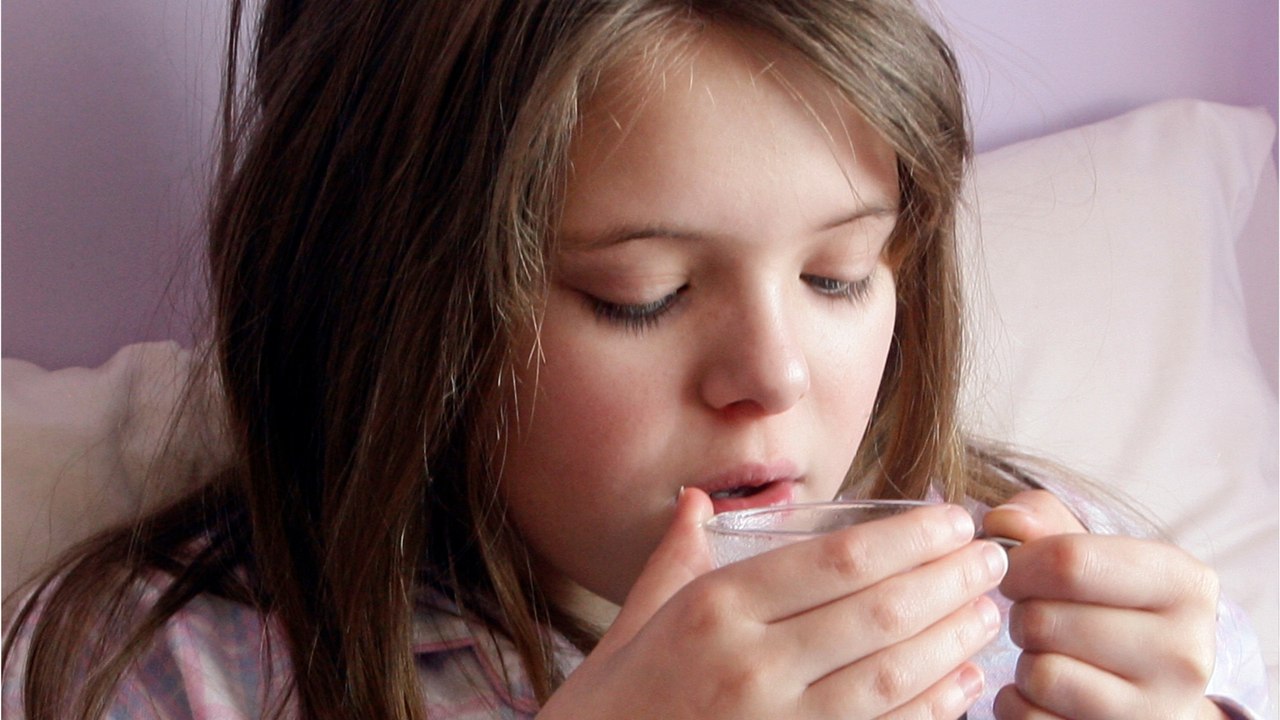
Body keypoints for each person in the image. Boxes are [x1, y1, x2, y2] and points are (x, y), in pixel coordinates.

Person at [2, 0, 1270, 718]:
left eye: (837, 275)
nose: (769, 376)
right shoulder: (170, 668)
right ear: (400, 316)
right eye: (641, 297)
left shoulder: (1036, 584)